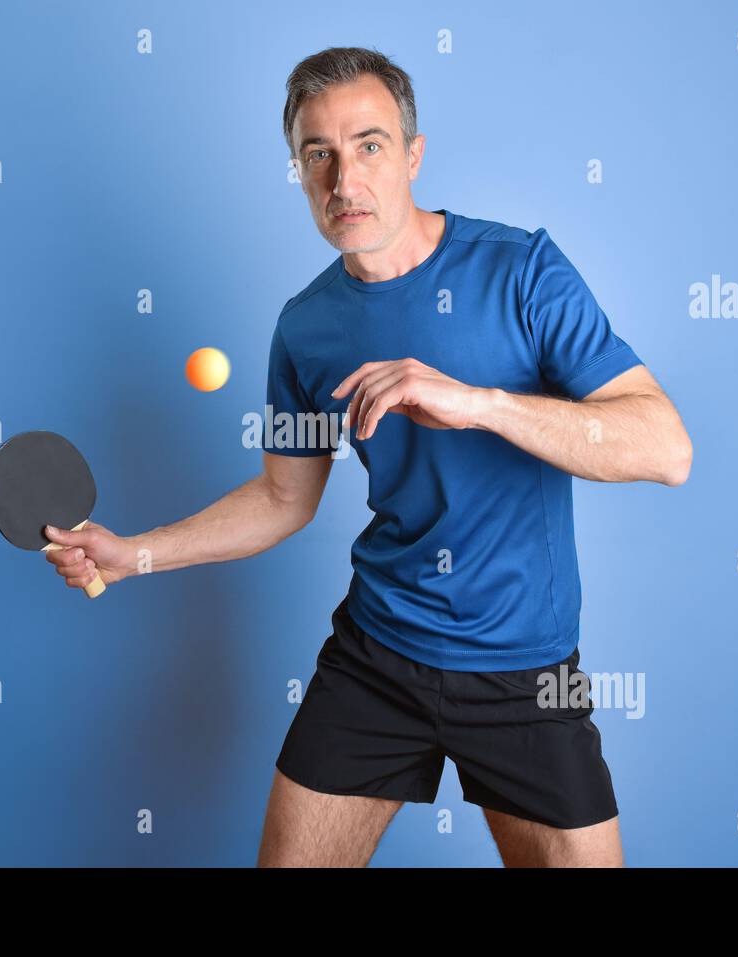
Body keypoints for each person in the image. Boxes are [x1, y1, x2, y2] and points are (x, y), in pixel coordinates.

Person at [44, 46, 692, 867]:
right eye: (319, 155)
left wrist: (480, 403)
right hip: (378, 658)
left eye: (369, 145)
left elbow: (665, 447)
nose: (344, 180)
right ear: (299, 171)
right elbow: (285, 498)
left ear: (414, 153)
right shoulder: (308, 328)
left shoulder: (522, 271)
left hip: (526, 673)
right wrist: (132, 554)